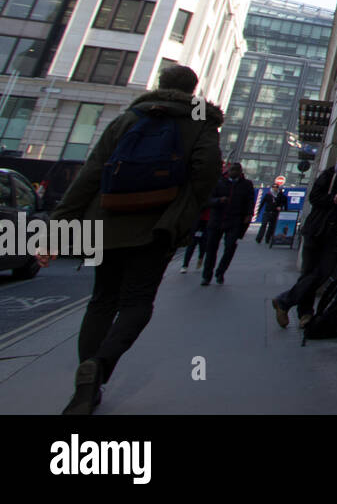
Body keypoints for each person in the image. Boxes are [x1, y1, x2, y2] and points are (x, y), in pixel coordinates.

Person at [40, 65, 222, 415]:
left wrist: (55, 228)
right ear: (194, 90)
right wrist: (179, 214)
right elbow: (207, 172)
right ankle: (100, 368)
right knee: (137, 303)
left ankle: (86, 384)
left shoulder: (129, 118)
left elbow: (91, 174)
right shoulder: (201, 123)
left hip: (105, 225)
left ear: (160, 85)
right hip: (155, 229)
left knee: (102, 301)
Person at [272, 145, 337, 330]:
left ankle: (285, 301)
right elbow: (314, 198)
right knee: (309, 272)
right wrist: (332, 199)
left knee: (325, 271)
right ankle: (305, 314)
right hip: (318, 230)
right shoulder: (330, 174)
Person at [201, 162, 255, 285]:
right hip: (216, 220)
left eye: (237, 171)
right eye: (232, 170)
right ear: (228, 171)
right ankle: (207, 275)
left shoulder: (246, 185)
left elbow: (250, 201)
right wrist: (218, 200)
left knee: (230, 247)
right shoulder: (219, 182)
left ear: (240, 172)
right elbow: (208, 200)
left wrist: (248, 214)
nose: (234, 173)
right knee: (211, 248)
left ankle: (220, 272)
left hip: (235, 220)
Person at [180, 205, 209, 273]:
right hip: (197, 223)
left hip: (208, 223)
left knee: (203, 245)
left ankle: (200, 258)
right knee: (191, 245)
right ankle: (185, 265)